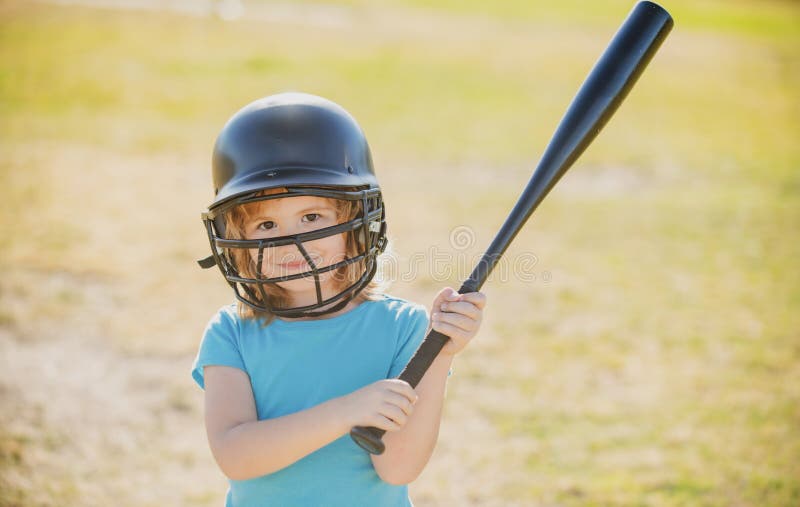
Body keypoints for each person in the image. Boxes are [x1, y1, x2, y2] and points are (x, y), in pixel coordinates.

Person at [192, 92, 487, 506]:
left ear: (354, 223)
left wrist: (441, 352)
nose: (290, 242)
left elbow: (399, 469)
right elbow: (236, 456)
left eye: (312, 218)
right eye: (266, 223)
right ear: (235, 240)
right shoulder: (232, 334)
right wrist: (346, 411)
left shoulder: (405, 328)